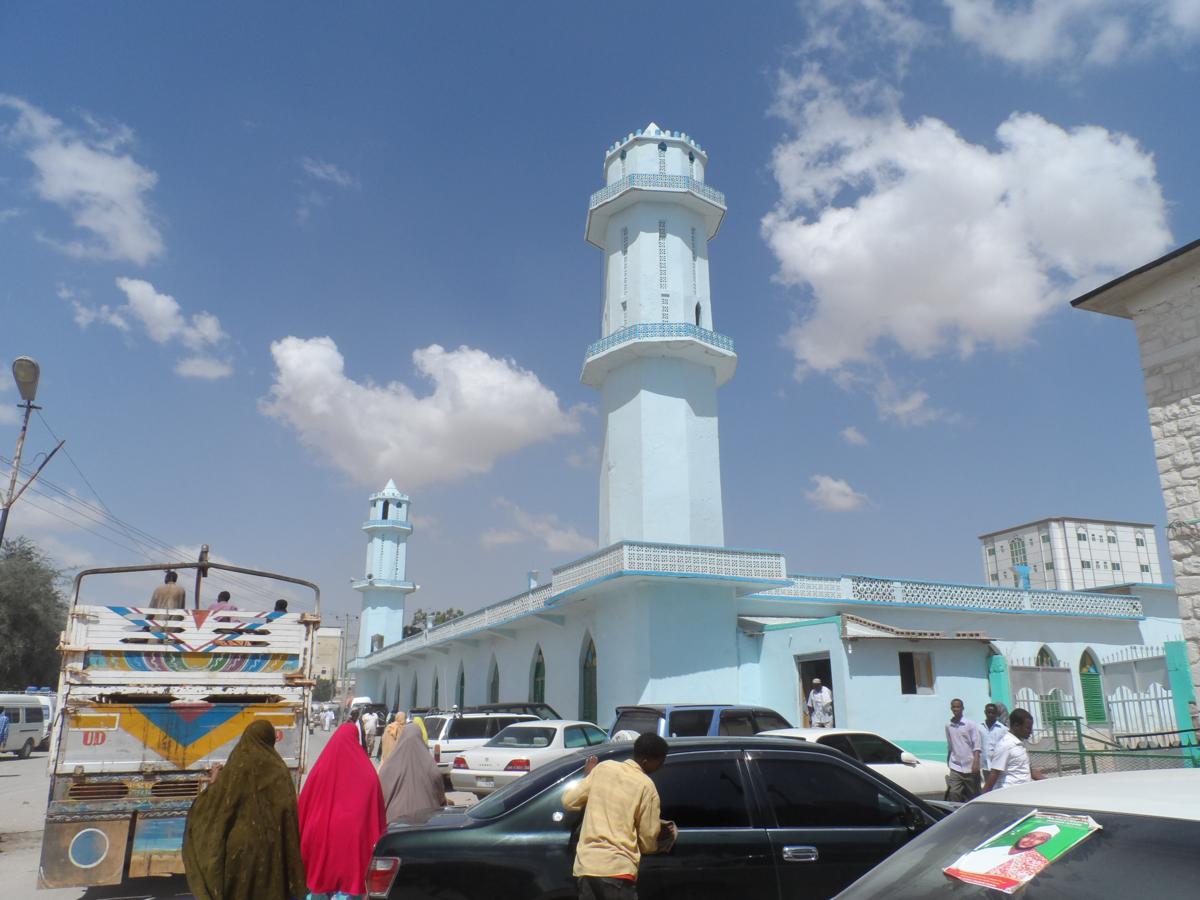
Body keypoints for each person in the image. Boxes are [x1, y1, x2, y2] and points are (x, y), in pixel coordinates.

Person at [182, 720, 306, 900]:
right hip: (272, 854)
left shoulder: (236, 766)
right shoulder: (279, 770)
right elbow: (289, 814)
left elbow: (210, 806)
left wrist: (213, 780)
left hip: (238, 854)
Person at [562, 733, 673, 900]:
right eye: (661, 761)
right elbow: (648, 840)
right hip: (618, 870)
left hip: (586, 866)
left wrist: (588, 776)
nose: (662, 765)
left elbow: (569, 801)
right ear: (646, 762)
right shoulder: (646, 786)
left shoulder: (603, 769)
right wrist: (663, 836)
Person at [298, 722, 387, 900]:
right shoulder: (368, 774)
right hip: (353, 852)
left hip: (321, 848)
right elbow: (376, 817)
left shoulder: (320, 770)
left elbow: (303, 808)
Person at [378, 723, 446, 822]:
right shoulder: (431, 766)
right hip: (426, 822)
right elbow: (440, 796)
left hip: (395, 824)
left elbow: (381, 798)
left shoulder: (387, 767)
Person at [984, 707, 1044, 792]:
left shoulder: (1019, 744)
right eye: (1027, 728)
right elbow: (994, 774)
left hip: (1022, 793)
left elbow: (1028, 770)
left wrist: (1049, 783)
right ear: (1016, 726)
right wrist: (983, 799)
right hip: (1009, 795)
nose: (1030, 732)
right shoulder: (1005, 745)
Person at [945, 698, 982, 801]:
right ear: (951, 708)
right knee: (954, 792)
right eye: (954, 707)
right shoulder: (948, 725)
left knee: (973, 795)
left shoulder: (970, 724)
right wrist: (948, 759)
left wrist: (976, 762)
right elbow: (950, 744)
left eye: (958, 707)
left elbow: (977, 745)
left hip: (970, 766)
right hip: (956, 766)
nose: (956, 709)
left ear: (962, 708)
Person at [980, 702, 1008, 783]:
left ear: (997, 714)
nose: (991, 715)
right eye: (989, 712)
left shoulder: (1003, 729)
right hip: (984, 766)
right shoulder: (979, 728)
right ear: (985, 712)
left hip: (998, 765)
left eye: (993, 713)